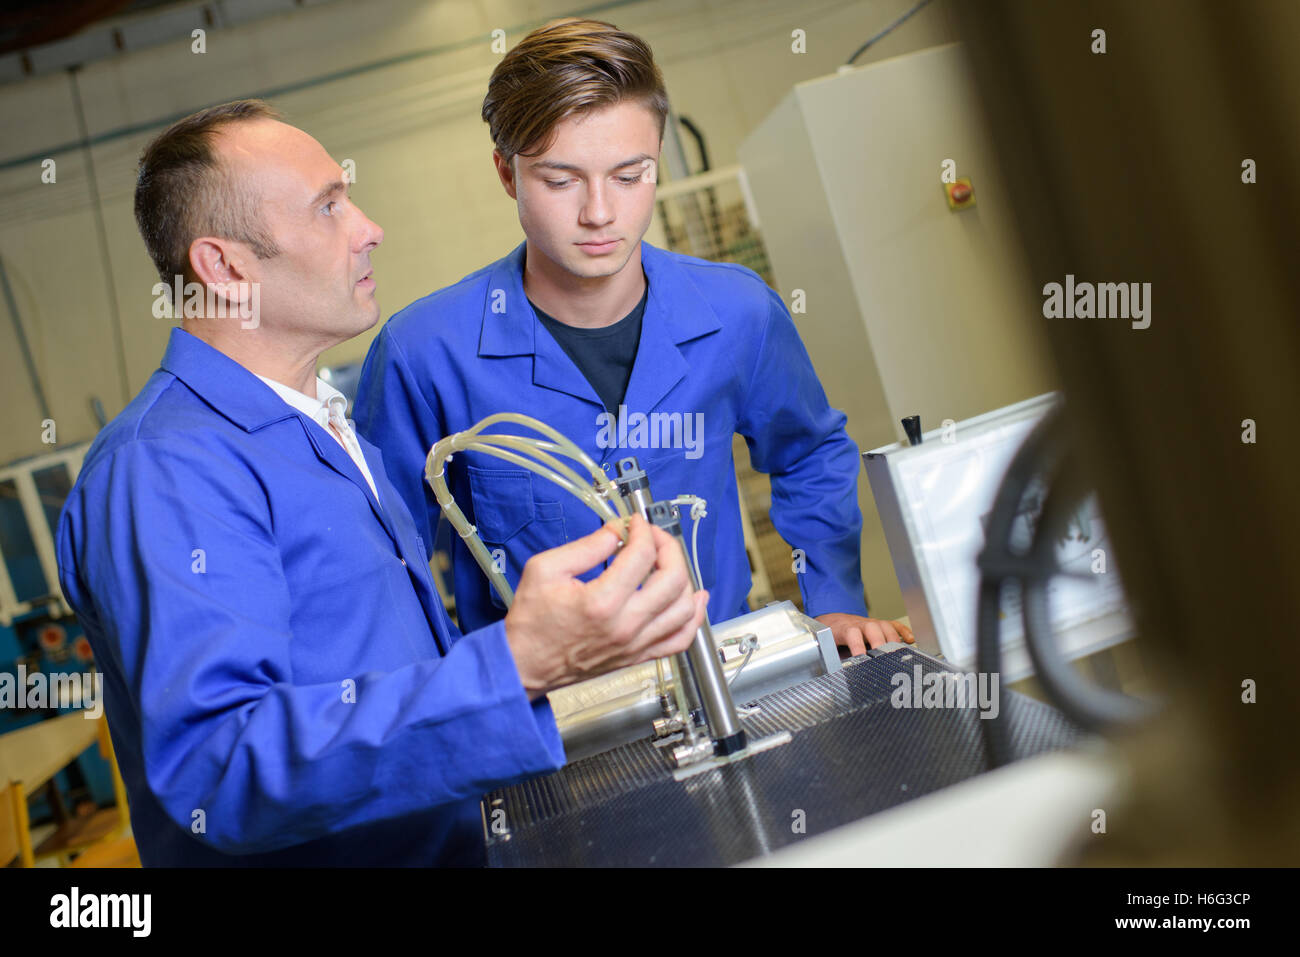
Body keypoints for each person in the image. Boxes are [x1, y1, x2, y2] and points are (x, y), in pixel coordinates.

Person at [55, 99, 707, 866]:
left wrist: (567, 650)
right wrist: (517, 662)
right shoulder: (165, 468)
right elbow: (220, 768)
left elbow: (381, 675)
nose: (369, 227)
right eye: (328, 207)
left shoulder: (326, 426)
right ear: (225, 266)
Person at [354, 19, 913, 655]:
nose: (599, 212)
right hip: (550, 723)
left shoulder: (738, 312)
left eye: (630, 175)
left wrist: (834, 600)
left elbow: (809, 451)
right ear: (507, 175)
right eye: (560, 180)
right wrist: (453, 694)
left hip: (730, 675)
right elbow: (382, 558)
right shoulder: (425, 354)